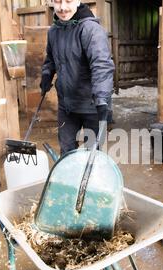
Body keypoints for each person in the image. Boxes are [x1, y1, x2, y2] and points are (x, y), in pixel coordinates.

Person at [40, 0, 115, 155]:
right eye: (58, 1)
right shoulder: (54, 31)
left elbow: (101, 65)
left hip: (92, 106)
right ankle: (69, 179)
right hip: (66, 106)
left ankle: (92, 178)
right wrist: (47, 74)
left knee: (92, 155)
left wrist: (102, 98)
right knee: (66, 152)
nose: (62, 7)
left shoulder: (91, 29)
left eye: (68, 1)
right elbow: (51, 59)